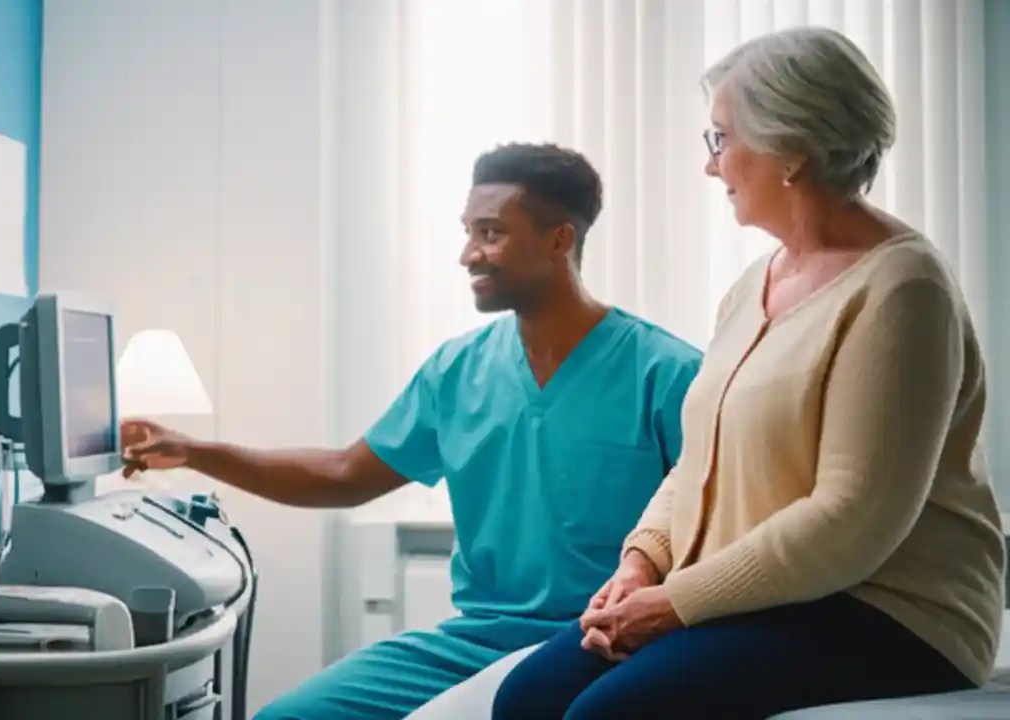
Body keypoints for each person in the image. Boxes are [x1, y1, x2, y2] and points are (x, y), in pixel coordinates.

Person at [491, 26, 1007, 720]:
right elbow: (698, 459)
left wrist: (675, 604)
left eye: (721, 139)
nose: (712, 166)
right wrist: (642, 563)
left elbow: (850, 519)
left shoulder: (904, 290)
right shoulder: (751, 286)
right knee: (525, 699)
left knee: (606, 716)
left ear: (789, 148)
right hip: (772, 594)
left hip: (891, 610)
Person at [120, 142, 703, 719]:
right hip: (475, 643)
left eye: (491, 233)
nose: (468, 254)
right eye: (468, 231)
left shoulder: (667, 373)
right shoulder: (457, 371)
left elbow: (718, 533)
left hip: (608, 643)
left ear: (559, 240)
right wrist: (195, 452)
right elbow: (343, 475)